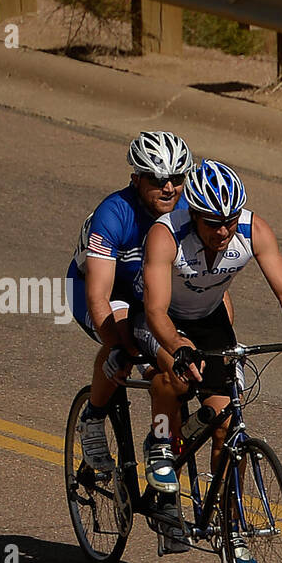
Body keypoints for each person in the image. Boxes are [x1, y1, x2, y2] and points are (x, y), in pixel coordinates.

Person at [133, 159, 282, 563]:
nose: (223, 232)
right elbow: (156, 311)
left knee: (224, 425)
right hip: (161, 318)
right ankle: (161, 442)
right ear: (195, 214)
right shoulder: (166, 235)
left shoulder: (254, 230)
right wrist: (178, 346)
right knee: (174, 374)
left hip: (210, 320)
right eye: (213, 223)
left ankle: (230, 528)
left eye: (230, 221)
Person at [66, 130, 193, 474]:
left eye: (177, 178)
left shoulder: (186, 210)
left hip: (148, 292)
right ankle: (93, 417)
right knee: (126, 339)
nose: (169, 188)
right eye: (157, 178)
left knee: (171, 370)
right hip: (99, 291)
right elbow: (98, 297)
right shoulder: (113, 214)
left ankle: (160, 439)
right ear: (136, 178)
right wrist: (120, 348)